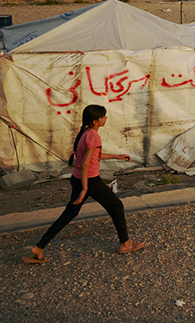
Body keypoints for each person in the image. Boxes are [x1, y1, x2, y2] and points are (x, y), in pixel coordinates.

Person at [24, 105, 144, 264]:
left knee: (69, 214)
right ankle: (125, 244)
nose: (105, 118)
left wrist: (118, 156)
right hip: (89, 180)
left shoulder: (85, 133)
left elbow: (95, 156)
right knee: (116, 206)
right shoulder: (94, 136)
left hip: (78, 178)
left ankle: (39, 247)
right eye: (103, 116)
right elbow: (86, 164)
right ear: (96, 121)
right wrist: (85, 188)